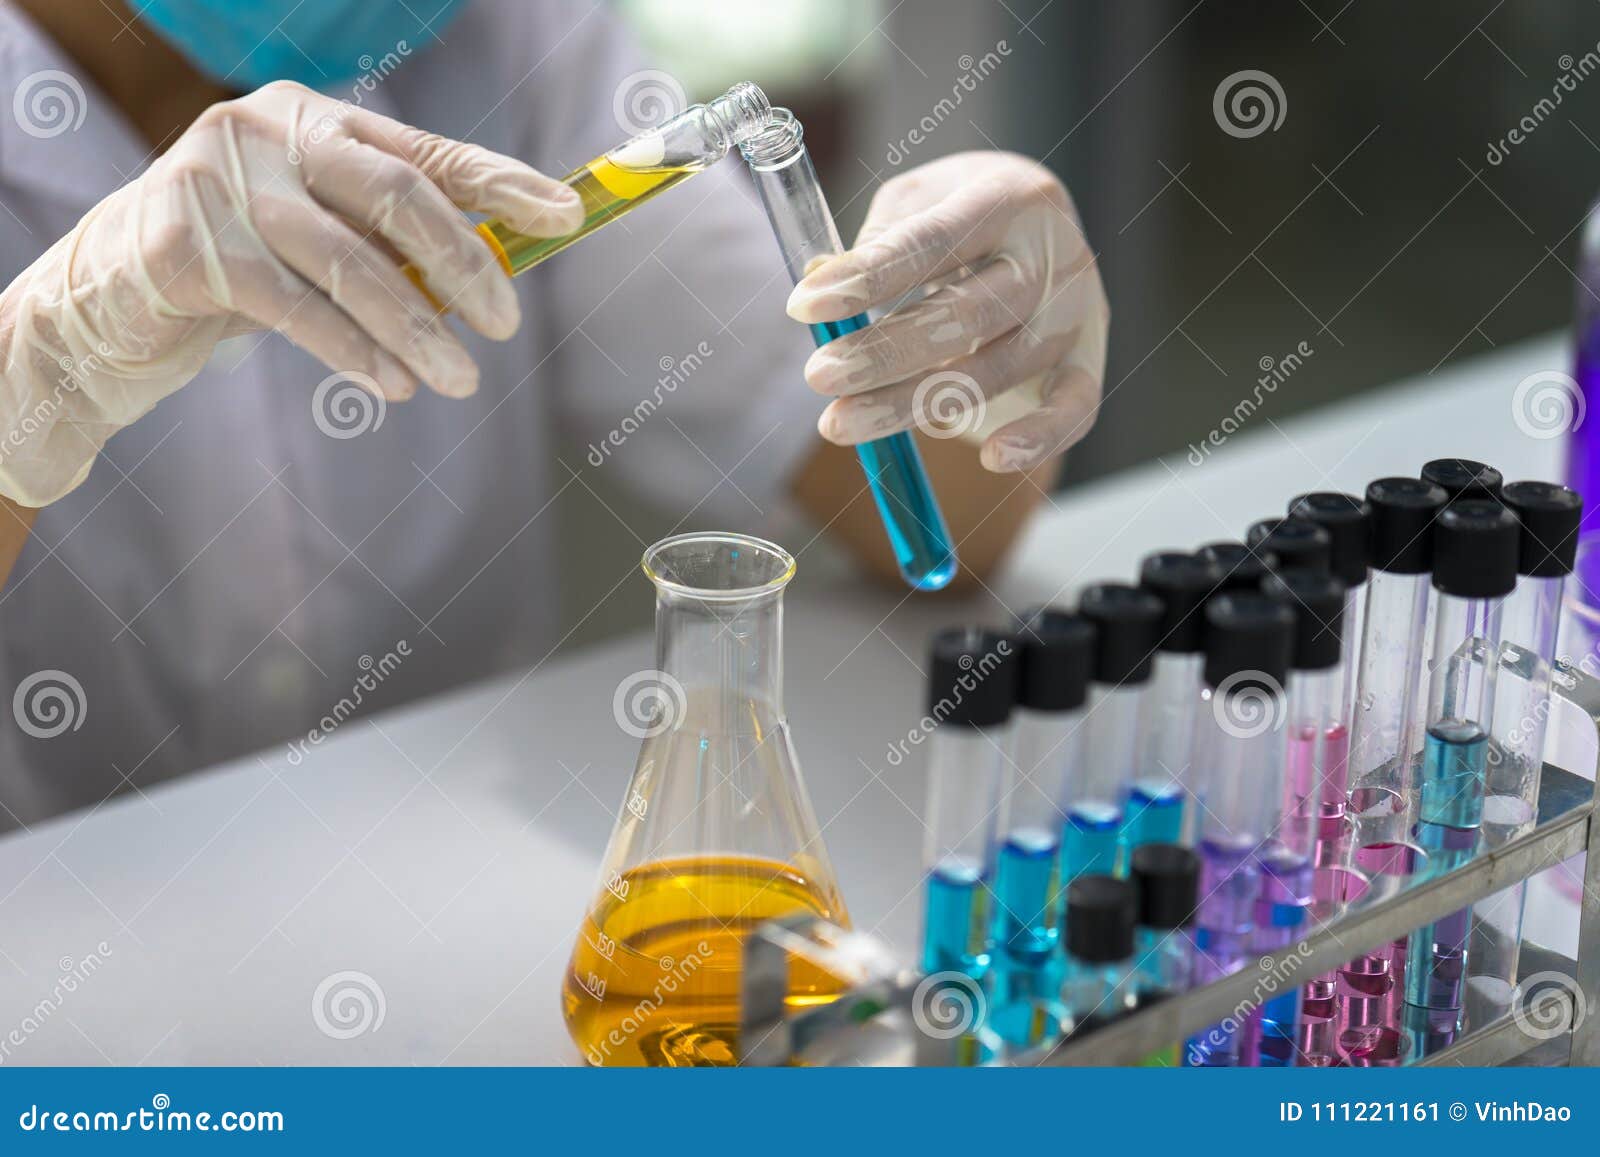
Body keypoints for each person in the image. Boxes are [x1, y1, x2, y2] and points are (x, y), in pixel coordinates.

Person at [0, 0, 1108, 826]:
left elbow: (944, 524)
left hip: (449, 902)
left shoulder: (500, 34)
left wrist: (976, 331)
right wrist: (37, 364)